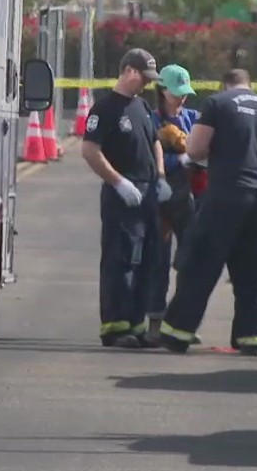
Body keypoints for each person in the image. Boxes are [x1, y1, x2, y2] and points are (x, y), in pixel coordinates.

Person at [159, 69, 257, 356]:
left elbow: (196, 149)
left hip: (225, 194)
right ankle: (252, 337)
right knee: (255, 270)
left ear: (224, 85)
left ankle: (177, 333)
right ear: (251, 85)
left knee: (201, 263)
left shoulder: (218, 104)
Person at [80, 48, 173, 349]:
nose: (147, 83)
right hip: (123, 193)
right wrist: (118, 182)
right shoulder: (105, 108)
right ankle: (115, 326)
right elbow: (90, 150)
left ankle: (136, 324)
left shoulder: (141, 106)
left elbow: (155, 142)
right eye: (144, 77)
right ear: (129, 71)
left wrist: (161, 177)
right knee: (122, 260)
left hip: (148, 191)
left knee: (147, 260)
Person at [146, 64, 200, 341]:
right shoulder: (151, 121)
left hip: (190, 199)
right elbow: (146, 156)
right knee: (158, 259)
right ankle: (155, 319)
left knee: (191, 260)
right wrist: (176, 160)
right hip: (161, 197)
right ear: (162, 90)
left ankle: (181, 322)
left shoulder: (194, 119)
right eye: (176, 92)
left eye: (185, 92)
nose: (182, 98)